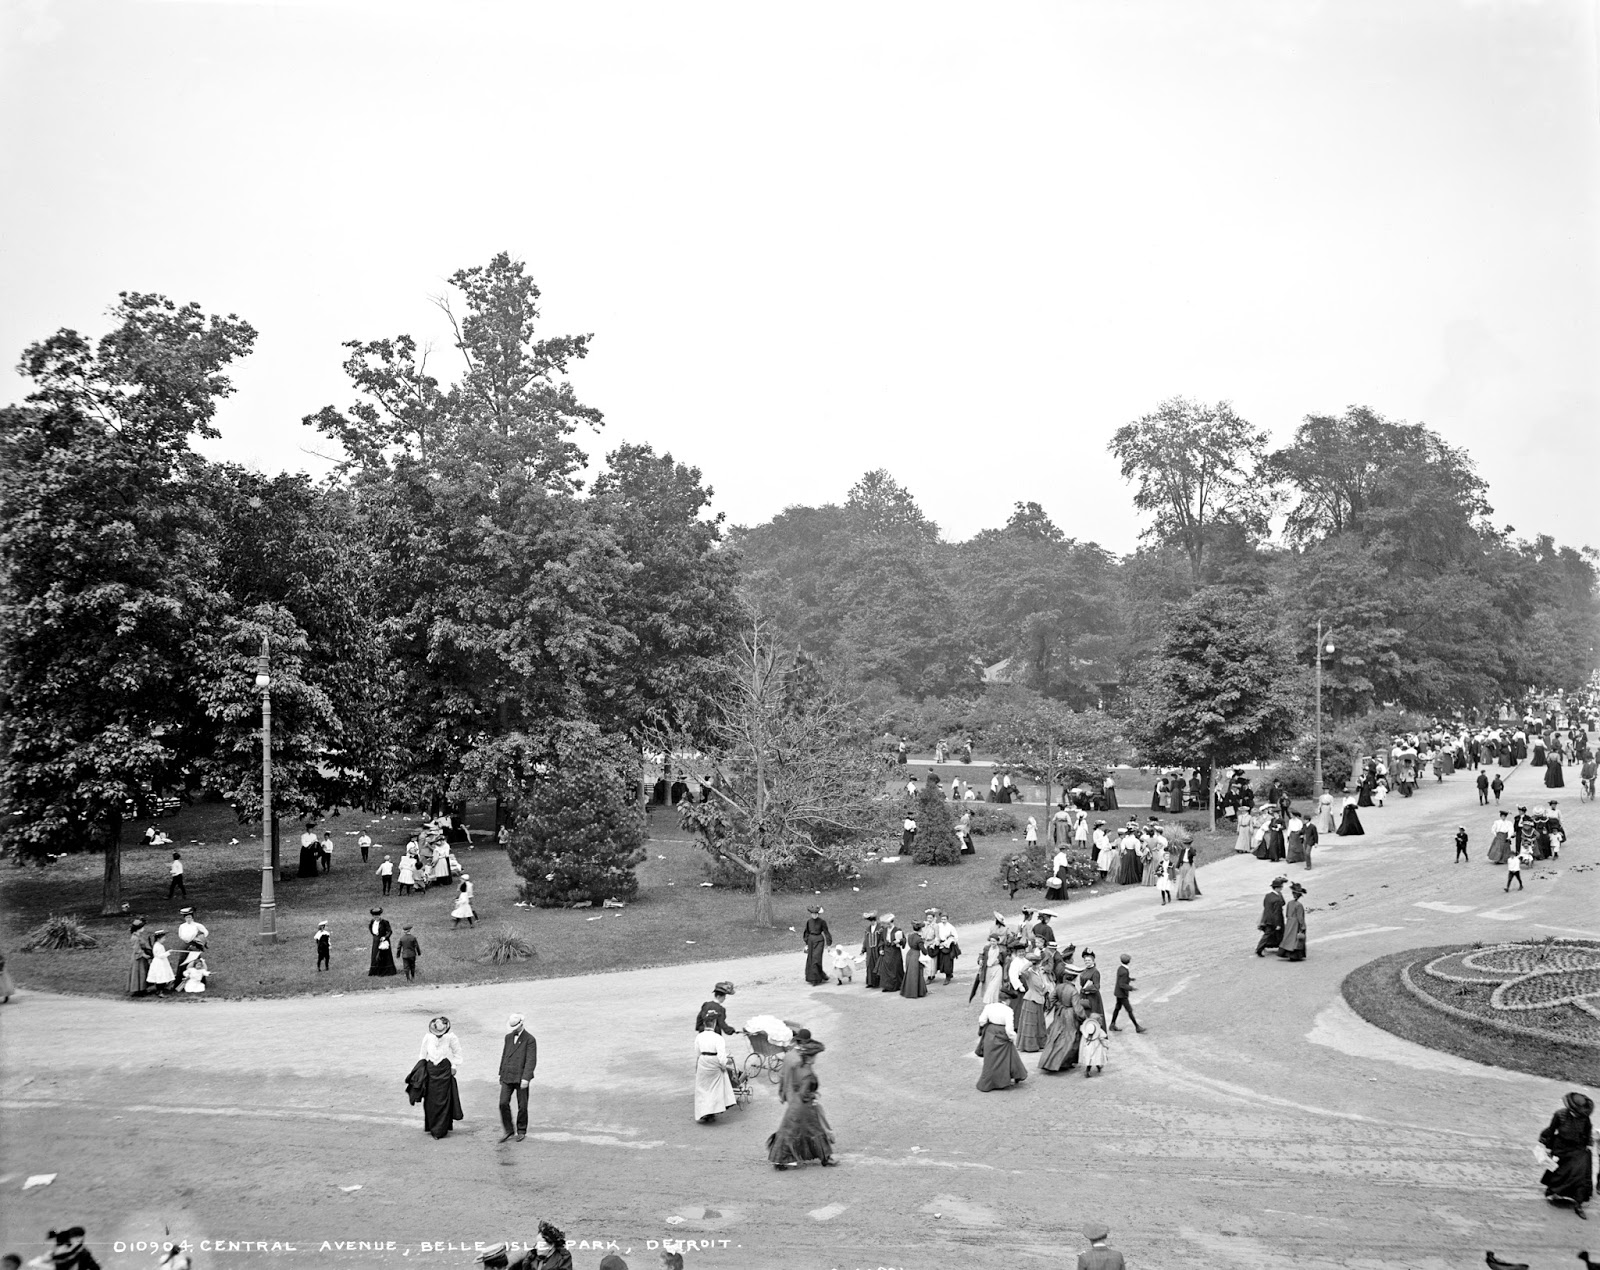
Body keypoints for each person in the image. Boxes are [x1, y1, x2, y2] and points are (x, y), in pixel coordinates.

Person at [767, 1036, 833, 1167]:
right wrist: (812, 1097)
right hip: (804, 1106)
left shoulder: (798, 1065)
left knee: (789, 1131)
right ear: (810, 1057)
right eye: (814, 1056)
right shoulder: (807, 1072)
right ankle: (826, 1158)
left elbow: (790, 1080)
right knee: (815, 1130)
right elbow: (804, 1093)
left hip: (795, 1103)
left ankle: (780, 1159)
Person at [407, 1015, 464, 1139]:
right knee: (431, 1101)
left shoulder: (451, 1038)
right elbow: (422, 1055)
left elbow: (457, 1052)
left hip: (444, 1071)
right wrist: (420, 1071)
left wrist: (454, 1066)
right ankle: (432, 1127)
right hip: (431, 1071)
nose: (439, 1035)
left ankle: (441, 1130)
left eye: (441, 1033)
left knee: (444, 1101)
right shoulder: (428, 1038)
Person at [1539, 1091, 1593, 1219]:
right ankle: (1552, 1190)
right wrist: (1548, 1147)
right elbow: (1551, 1131)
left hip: (1578, 1149)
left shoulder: (1585, 1118)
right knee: (1558, 1172)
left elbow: (1587, 1133)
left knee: (1580, 1176)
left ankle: (1578, 1204)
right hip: (1561, 1147)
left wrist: (1588, 1144)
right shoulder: (1559, 1115)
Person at [496, 1012, 538, 1141]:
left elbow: (531, 1060)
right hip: (507, 1076)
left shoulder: (530, 1039)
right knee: (503, 1103)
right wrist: (501, 1073)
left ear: (521, 1024)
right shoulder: (508, 1037)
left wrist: (526, 1078)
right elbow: (505, 1055)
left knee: (522, 1106)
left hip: (521, 1077)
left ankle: (521, 1130)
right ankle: (508, 1129)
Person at [975, 1000, 1028, 1091]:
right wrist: (1012, 1037)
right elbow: (1009, 1028)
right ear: (1008, 1000)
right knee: (1009, 1055)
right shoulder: (1008, 1010)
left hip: (990, 1032)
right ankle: (1016, 1074)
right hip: (1002, 1032)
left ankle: (988, 1082)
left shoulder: (989, 1007)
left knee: (990, 1059)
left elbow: (982, 1020)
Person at [693, 1025, 738, 1124]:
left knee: (703, 1087)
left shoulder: (699, 1036)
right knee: (715, 1087)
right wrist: (723, 1065)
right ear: (713, 1024)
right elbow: (721, 1056)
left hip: (703, 1060)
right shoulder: (718, 1038)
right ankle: (714, 1109)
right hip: (714, 1061)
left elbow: (697, 1052)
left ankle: (704, 1111)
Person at [1110, 953, 1145, 1033]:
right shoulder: (1125, 971)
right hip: (1122, 994)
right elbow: (1122, 984)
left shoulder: (1120, 968)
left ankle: (1112, 1024)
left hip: (1118, 993)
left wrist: (1129, 979)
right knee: (1129, 1010)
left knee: (1117, 1008)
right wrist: (1131, 988)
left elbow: (1122, 979)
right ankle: (1137, 1027)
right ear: (1128, 961)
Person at [801, 905, 832, 985]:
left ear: (818, 914)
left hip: (819, 941)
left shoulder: (822, 922)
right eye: (813, 914)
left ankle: (816, 979)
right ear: (811, 914)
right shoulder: (809, 922)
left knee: (816, 959)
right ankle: (814, 977)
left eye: (816, 914)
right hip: (811, 941)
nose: (814, 915)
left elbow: (826, 932)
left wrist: (829, 944)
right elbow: (806, 932)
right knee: (811, 960)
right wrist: (806, 943)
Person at [1256, 877, 1286, 956]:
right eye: (1281, 887)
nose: (1281, 888)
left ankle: (1260, 948)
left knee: (1267, 934)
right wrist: (1278, 924)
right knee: (1277, 933)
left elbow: (1265, 905)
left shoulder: (1268, 896)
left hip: (1266, 918)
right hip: (1275, 920)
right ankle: (1260, 948)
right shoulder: (1277, 899)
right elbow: (1277, 912)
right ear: (1277, 888)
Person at [1278, 883, 1307, 960]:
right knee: (1296, 939)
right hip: (1295, 923)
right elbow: (1300, 917)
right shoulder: (1299, 905)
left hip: (1289, 922)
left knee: (1288, 937)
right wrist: (1303, 926)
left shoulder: (1289, 903)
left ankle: (1284, 952)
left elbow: (1287, 914)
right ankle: (1294, 955)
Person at [901, 922, 929, 999]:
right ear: (920, 929)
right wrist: (926, 950)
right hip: (916, 955)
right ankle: (917, 991)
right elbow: (923, 950)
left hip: (909, 954)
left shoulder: (910, 935)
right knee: (917, 973)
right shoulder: (919, 939)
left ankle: (907, 990)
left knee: (909, 972)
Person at [877, 917, 904, 993]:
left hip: (895, 951)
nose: (888, 925)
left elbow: (903, 940)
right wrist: (881, 949)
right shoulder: (884, 930)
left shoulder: (898, 930)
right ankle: (887, 986)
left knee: (895, 968)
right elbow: (881, 940)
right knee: (886, 969)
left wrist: (899, 941)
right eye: (887, 924)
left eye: (889, 923)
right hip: (886, 951)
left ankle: (897, 985)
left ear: (892, 922)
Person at [146, 929, 176, 994]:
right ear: (158, 939)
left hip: (161, 962)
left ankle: (160, 990)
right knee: (160, 976)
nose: (164, 939)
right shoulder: (158, 946)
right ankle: (160, 991)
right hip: (159, 963)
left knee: (162, 976)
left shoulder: (158, 945)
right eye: (163, 938)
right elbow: (160, 955)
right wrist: (168, 952)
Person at [367, 908, 397, 976]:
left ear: (380, 915)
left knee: (384, 956)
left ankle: (385, 971)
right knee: (375, 955)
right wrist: (375, 935)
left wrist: (385, 937)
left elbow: (389, 931)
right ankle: (375, 971)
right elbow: (370, 928)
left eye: (377, 916)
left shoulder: (384, 922)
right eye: (374, 916)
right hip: (376, 941)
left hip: (383, 941)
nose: (376, 917)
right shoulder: (372, 922)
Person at [127, 917, 153, 996]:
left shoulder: (139, 936)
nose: (143, 929)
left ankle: (142, 989)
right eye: (142, 927)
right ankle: (137, 990)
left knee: (143, 973)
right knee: (138, 973)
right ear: (138, 929)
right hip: (138, 958)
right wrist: (145, 955)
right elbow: (137, 949)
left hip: (142, 958)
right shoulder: (135, 938)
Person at [1079, 1010, 1109, 1077]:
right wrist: (1106, 1045)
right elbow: (1102, 1039)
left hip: (1087, 1047)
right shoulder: (1099, 1031)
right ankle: (1095, 1068)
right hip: (1096, 1048)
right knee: (1096, 1057)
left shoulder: (1086, 1030)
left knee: (1089, 1059)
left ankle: (1091, 1069)